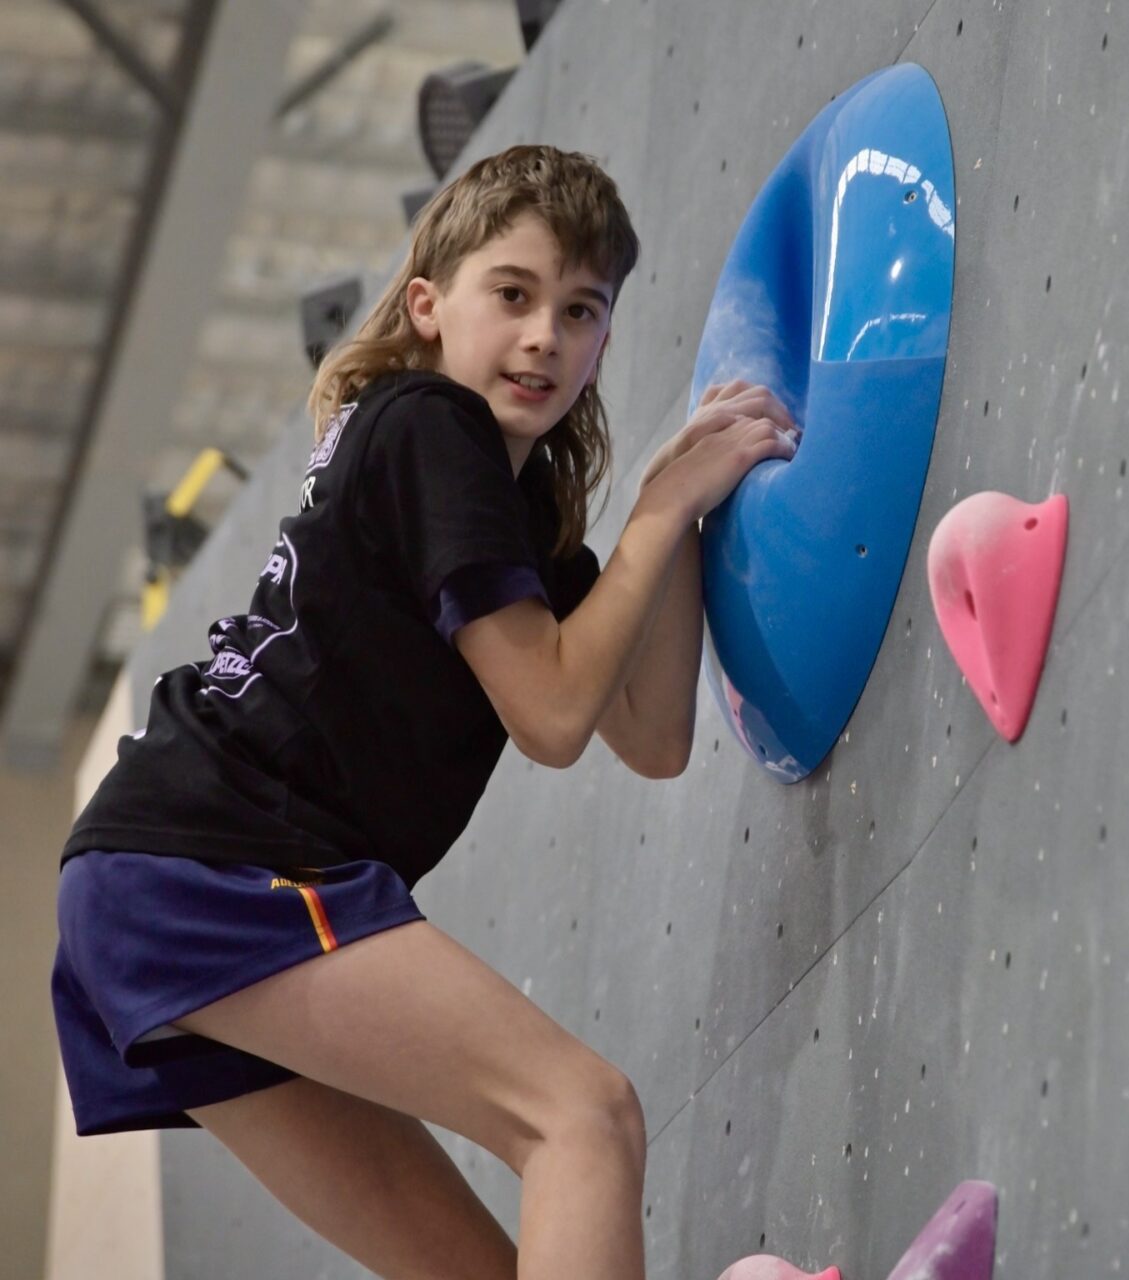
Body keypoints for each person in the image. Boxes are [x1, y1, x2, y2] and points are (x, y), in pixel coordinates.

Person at [51, 144, 802, 1280]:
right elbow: (551, 713)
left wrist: (685, 516)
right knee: (580, 1115)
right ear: (428, 306)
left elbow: (649, 736)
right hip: (215, 857)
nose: (546, 333)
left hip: (145, 881)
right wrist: (656, 512)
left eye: (581, 308)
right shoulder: (425, 426)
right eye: (513, 293)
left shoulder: (511, 522)